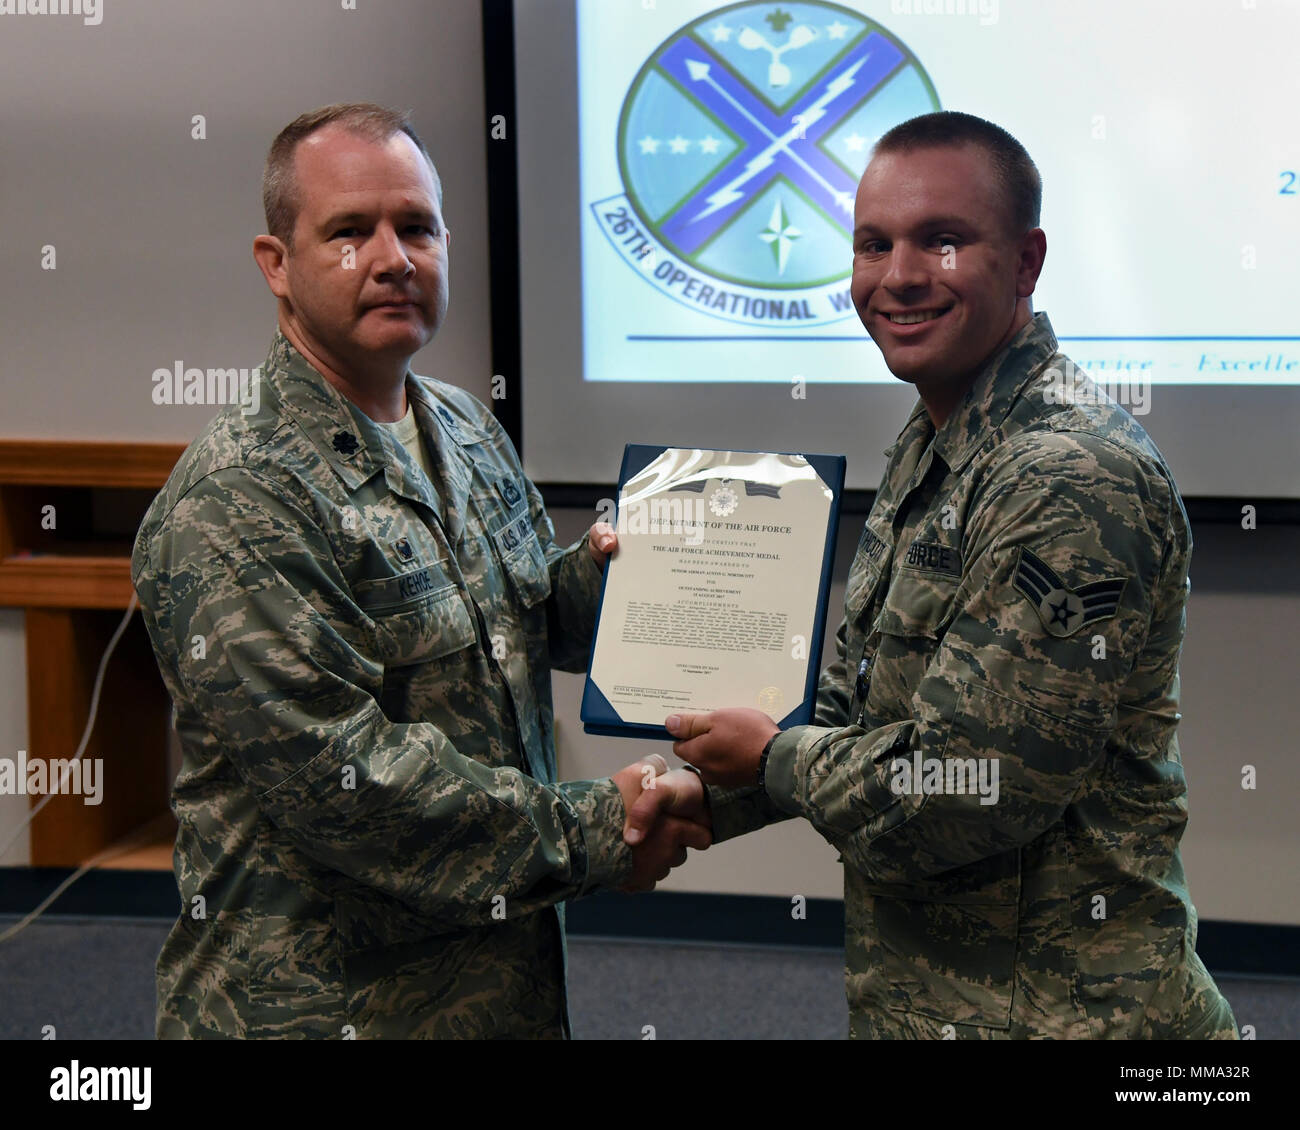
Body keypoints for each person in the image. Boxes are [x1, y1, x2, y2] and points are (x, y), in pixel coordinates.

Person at [629, 111, 1237, 1039]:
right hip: (942, 1001)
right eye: (874, 244)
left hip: (1069, 1017)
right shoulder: (940, 441)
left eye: (943, 241)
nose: (899, 276)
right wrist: (705, 792)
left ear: (1027, 264)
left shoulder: (1065, 474)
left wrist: (773, 761)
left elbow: (976, 785)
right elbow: (856, 712)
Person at [132, 103, 709, 1039]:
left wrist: (624, 578)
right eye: (350, 231)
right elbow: (349, 786)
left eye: (418, 227)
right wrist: (602, 826)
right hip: (325, 1010)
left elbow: (527, 626)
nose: (394, 257)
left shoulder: (464, 428)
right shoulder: (238, 499)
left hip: (498, 986)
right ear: (275, 264)